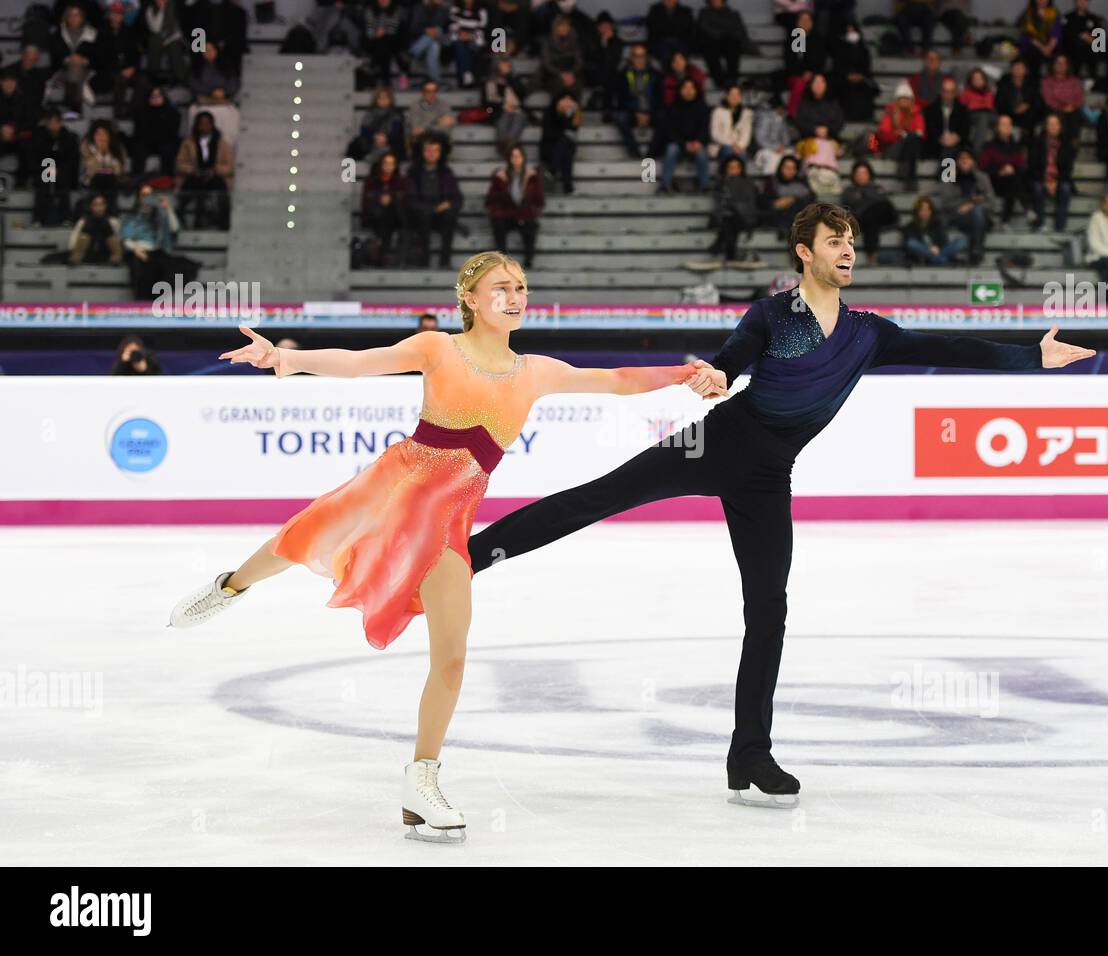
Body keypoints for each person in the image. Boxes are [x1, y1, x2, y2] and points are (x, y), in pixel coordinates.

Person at [460, 205, 1095, 806]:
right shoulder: (773, 314)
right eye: (833, 241)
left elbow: (951, 350)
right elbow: (733, 356)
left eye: (851, 242)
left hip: (768, 477)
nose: (847, 249)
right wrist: (715, 373)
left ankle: (749, 756)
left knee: (769, 610)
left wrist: (1032, 356)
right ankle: (467, 558)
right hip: (714, 442)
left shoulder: (867, 334)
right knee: (597, 497)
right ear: (805, 253)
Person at [168, 251, 717, 841]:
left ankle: (420, 779)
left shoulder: (536, 371)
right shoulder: (438, 349)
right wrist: (284, 358)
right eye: (501, 287)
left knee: (452, 657)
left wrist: (687, 374)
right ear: (471, 299)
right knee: (302, 536)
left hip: (449, 525)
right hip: (393, 486)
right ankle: (229, 586)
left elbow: (615, 382)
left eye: (521, 286)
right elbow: (359, 363)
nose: (515, 295)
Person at [406, 134, 463, 267]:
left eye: (435, 150)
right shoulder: (413, 172)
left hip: (441, 215)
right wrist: (430, 209)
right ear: (422, 152)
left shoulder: (446, 172)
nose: (431, 154)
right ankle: (423, 261)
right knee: (423, 215)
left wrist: (448, 204)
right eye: (428, 150)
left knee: (449, 215)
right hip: (420, 215)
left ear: (440, 152)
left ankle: (444, 261)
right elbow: (410, 200)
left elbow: (457, 199)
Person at [485, 143, 544, 267]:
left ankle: (529, 259)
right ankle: (502, 260)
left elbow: (539, 199)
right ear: (509, 158)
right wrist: (497, 210)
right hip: (506, 213)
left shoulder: (531, 177)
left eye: (518, 156)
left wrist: (532, 211)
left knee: (530, 225)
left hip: (524, 214)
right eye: (513, 156)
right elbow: (490, 200)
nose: (516, 159)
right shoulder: (500, 177)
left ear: (523, 158)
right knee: (498, 224)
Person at [175, 110, 233, 230]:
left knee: (221, 195)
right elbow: (180, 163)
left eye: (207, 123)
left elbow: (229, 166)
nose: (204, 126)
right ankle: (182, 221)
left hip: (216, 177)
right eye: (201, 123)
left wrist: (215, 170)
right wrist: (191, 170)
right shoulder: (188, 143)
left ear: (212, 125)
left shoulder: (221, 143)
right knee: (187, 193)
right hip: (194, 177)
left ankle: (223, 225)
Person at [934, 146, 992, 262]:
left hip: (976, 216)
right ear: (956, 162)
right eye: (961, 158)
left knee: (978, 212)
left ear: (973, 161)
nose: (964, 161)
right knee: (939, 219)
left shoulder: (982, 178)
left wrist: (971, 205)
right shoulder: (949, 177)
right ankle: (946, 253)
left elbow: (991, 202)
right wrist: (964, 205)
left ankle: (976, 249)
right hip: (955, 214)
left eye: (968, 158)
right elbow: (945, 202)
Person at [654, 77, 710, 194]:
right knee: (671, 149)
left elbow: (705, 129)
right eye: (685, 87)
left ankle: (704, 187)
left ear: (696, 90)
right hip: (678, 144)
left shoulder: (703, 107)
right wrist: (684, 144)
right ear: (680, 90)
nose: (688, 90)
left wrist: (698, 141)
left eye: (691, 88)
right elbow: (670, 131)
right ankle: (665, 186)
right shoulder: (672, 108)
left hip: (696, 145)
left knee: (702, 153)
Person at [838, 159, 897, 262]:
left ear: (870, 175)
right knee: (871, 217)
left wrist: (863, 198)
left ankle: (873, 255)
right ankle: (872, 256)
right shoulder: (849, 191)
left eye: (864, 173)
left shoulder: (877, 188)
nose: (861, 176)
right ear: (854, 175)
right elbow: (849, 205)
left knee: (877, 210)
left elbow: (884, 203)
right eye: (858, 173)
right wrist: (871, 200)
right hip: (861, 220)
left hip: (883, 217)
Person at [708, 154, 763, 264]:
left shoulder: (748, 183)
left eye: (737, 167)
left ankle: (721, 245)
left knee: (731, 221)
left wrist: (738, 208)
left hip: (745, 216)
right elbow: (718, 204)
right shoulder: (720, 184)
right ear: (725, 169)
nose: (734, 170)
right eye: (731, 167)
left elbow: (750, 203)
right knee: (729, 221)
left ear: (741, 168)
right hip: (726, 217)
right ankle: (728, 251)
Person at [361, 150, 411, 264]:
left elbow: (404, 200)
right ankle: (383, 254)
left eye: (391, 164)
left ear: (395, 166)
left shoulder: (401, 181)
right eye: (386, 163)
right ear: (381, 164)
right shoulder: (371, 181)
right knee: (383, 216)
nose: (388, 167)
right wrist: (380, 199)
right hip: (375, 216)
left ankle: (385, 255)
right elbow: (366, 201)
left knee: (392, 214)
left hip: (394, 217)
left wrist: (391, 200)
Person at [1028, 111, 1075, 232]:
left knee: (1065, 188)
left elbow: (1068, 168)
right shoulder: (1037, 143)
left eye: (1056, 124)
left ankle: (1060, 227)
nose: (1053, 127)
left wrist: (1056, 182)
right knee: (1037, 188)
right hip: (1040, 178)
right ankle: (1041, 224)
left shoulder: (1066, 144)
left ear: (1060, 126)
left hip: (1060, 179)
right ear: (1046, 126)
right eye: (1050, 124)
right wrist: (1046, 181)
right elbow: (1033, 166)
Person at [978, 113, 1029, 224]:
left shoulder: (1017, 146)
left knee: (1015, 180)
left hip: (1012, 181)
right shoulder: (988, 145)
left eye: (1009, 124)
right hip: (994, 181)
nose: (1006, 127)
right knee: (1015, 182)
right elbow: (983, 166)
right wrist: (999, 171)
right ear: (997, 127)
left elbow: (1022, 166)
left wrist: (1012, 169)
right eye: (1003, 124)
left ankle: (1005, 220)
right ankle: (1028, 210)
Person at [877, 81, 924, 190]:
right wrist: (898, 136)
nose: (904, 101)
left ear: (911, 100)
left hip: (910, 148)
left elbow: (921, 133)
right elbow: (883, 135)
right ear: (897, 100)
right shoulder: (890, 112)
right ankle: (911, 176)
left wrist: (904, 135)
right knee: (911, 139)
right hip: (893, 148)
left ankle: (904, 171)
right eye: (902, 98)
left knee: (911, 139)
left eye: (907, 98)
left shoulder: (916, 113)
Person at [903, 194, 967, 264]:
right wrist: (929, 249)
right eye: (922, 210)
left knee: (961, 242)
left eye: (927, 210)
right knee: (911, 243)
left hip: (939, 251)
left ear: (931, 211)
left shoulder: (937, 224)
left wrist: (936, 248)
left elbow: (943, 242)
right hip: (922, 255)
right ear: (917, 211)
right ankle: (942, 261)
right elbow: (911, 244)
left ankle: (935, 259)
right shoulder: (910, 226)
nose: (925, 212)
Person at [68, 192, 124, 265]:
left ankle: (116, 258)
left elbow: (119, 240)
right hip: (87, 252)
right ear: (91, 206)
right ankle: (77, 257)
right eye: (95, 205)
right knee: (84, 236)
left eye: (101, 205)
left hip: (106, 253)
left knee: (111, 236)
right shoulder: (83, 221)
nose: (99, 208)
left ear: (105, 206)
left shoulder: (113, 221)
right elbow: (72, 242)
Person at [922, 74, 969, 161]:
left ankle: (945, 174)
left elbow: (965, 129)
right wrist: (940, 138)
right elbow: (930, 130)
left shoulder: (962, 109)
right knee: (948, 150)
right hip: (936, 144)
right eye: (945, 91)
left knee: (951, 150)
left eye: (951, 92)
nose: (948, 95)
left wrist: (957, 137)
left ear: (955, 93)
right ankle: (946, 174)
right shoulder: (931, 109)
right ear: (941, 92)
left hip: (958, 144)